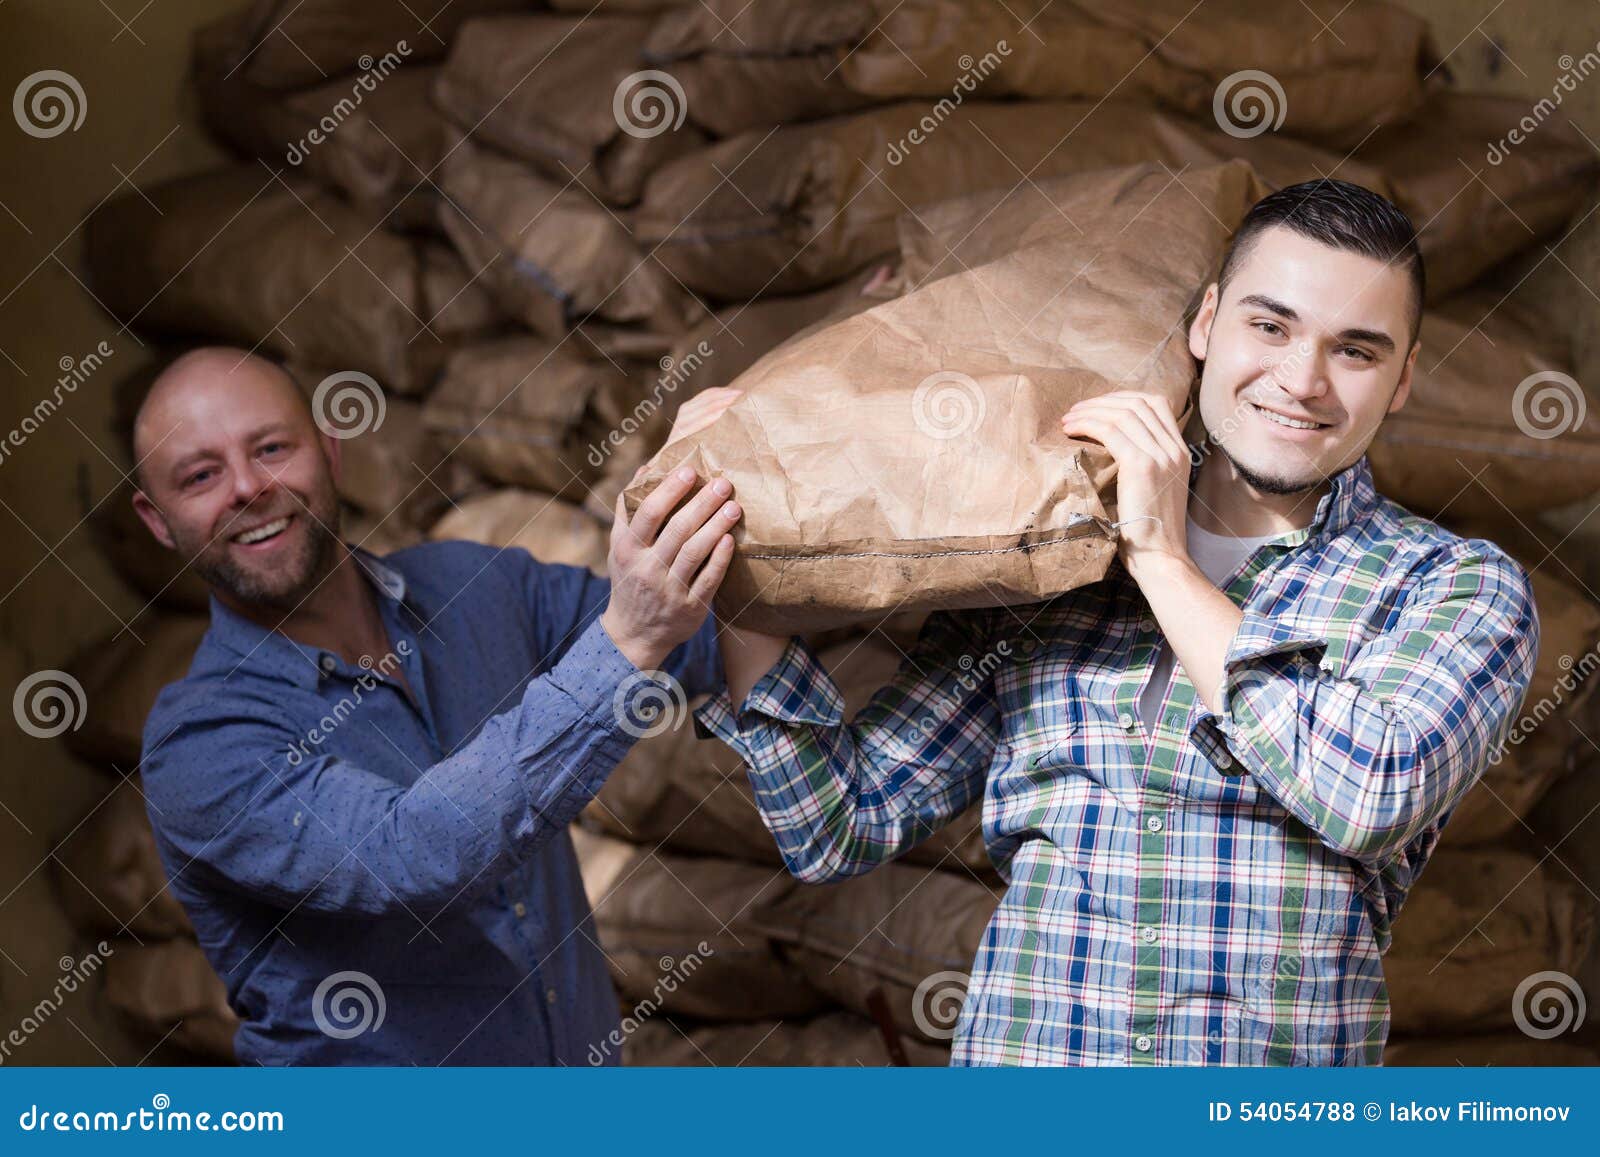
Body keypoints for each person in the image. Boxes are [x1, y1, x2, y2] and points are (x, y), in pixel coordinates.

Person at [693, 179, 1540, 1066]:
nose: (1302, 379)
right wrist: (737, 567)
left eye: (1356, 350)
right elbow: (842, 822)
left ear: (1402, 379)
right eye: (1270, 325)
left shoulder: (1451, 587)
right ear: (1206, 323)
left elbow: (1366, 791)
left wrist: (1159, 555)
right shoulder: (1053, 561)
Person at [131, 348, 742, 1065]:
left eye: (270, 447)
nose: (246, 487)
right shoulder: (199, 745)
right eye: (200, 475)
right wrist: (630, 637)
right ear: (157, 519)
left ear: (329, 450)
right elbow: (409, 853)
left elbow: (701, 638)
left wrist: (742, 457)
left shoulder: (474, 583)